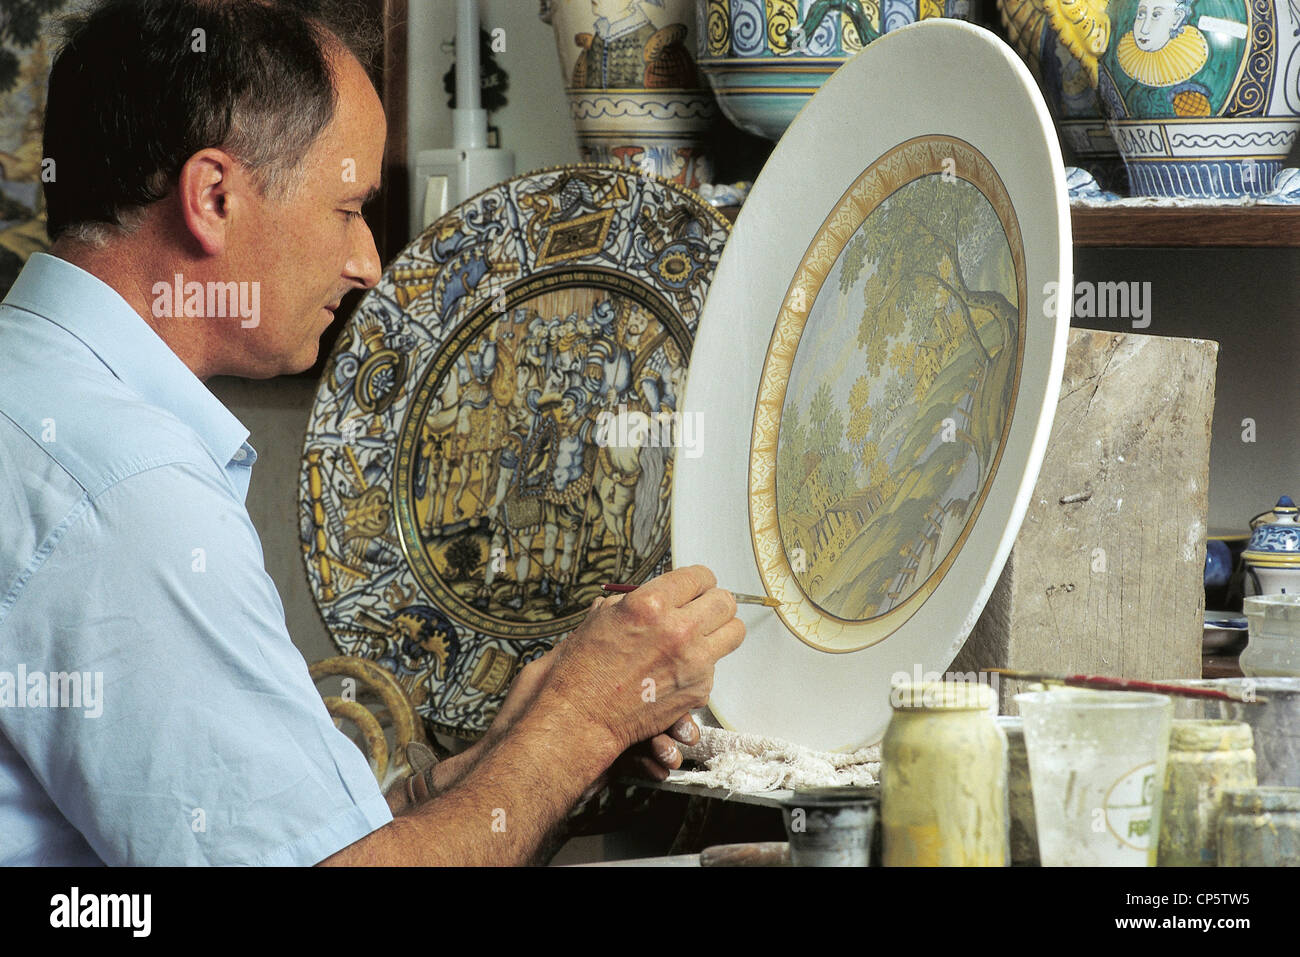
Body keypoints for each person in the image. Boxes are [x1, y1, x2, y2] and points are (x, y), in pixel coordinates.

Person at [0, 0, 743, 866]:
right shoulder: (129, 495)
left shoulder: (40, 398)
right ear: (213, 197)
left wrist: (522, 752)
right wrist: (586, 716)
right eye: (348, 208)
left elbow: (291, 841)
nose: (367, 262)